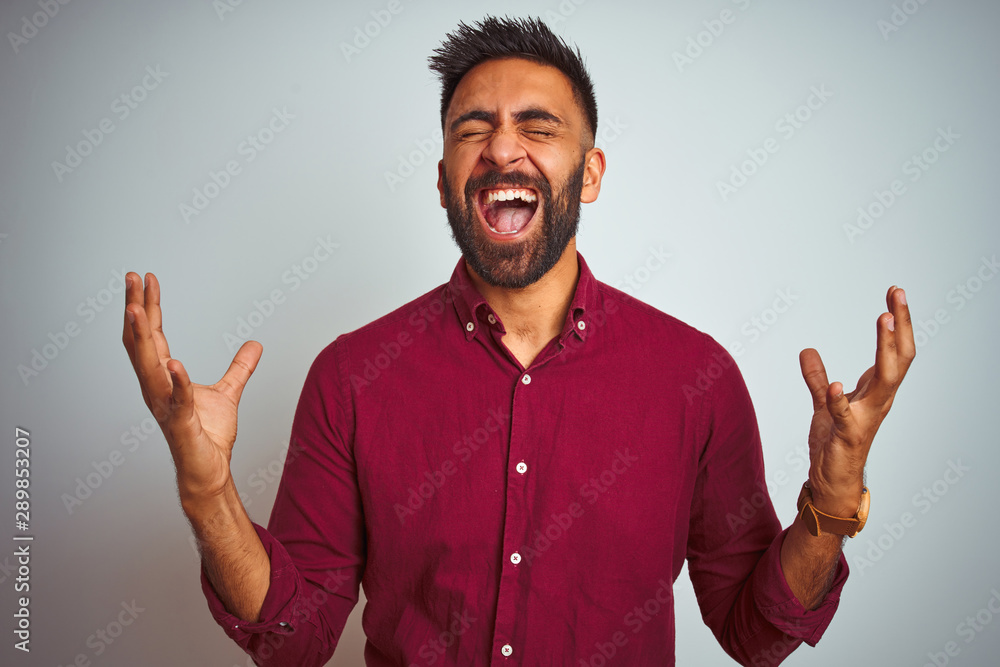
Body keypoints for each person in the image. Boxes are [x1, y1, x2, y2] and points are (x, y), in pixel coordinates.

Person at [121, 16, 914, 667]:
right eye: (476, 129)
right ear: (442, 179)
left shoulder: (695, 378)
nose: (504, 149)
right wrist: (207, 493)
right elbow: (293, 639)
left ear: (590, 172)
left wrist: (833, 502)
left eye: (538, 127)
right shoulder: (352, 377)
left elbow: (757, 633)